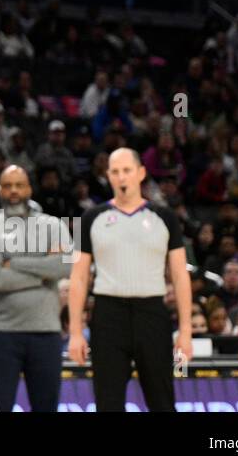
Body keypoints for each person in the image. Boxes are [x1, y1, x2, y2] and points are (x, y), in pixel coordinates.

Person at [68, 148, 192, 412]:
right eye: (115, 171)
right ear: (108, 176)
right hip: (108, 315)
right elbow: (78, 278)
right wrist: (76, 332)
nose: (121, 177)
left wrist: (186, 330)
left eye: (127, 170)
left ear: (141, 173)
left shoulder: (165, 218)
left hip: (152, 314)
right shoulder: (90, 218)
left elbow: (180, 276)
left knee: (162, 401)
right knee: (108, 403)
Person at [0, 165, 70, 412]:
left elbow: (64, 267)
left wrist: (13, 262)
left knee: (46, 407)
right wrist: (42, 275)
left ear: (29, 188)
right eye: (8, 185)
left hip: (46, 331)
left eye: (19, 185)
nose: (14, 191)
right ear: (0, 191)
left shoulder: (53, 226)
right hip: (0, 333)